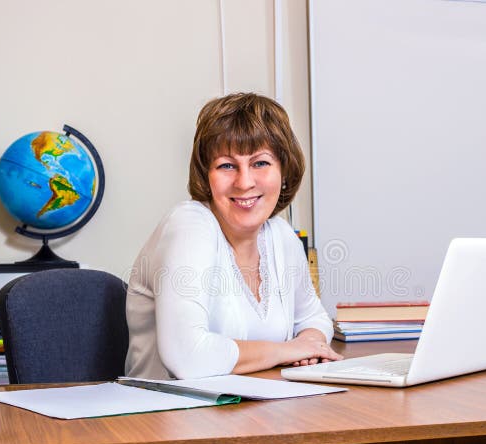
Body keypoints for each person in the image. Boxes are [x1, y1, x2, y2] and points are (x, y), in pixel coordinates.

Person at [125, 92, 342, 379]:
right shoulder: (189, 226)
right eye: (227, 165)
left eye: (260, 163)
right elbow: (187, 357)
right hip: (165, 415)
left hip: (254, 413)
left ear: (284, 170)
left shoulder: (280, 235)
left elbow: (313, 317)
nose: (244, 182)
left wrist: (310, 342)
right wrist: (288, 350)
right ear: (206, 175)